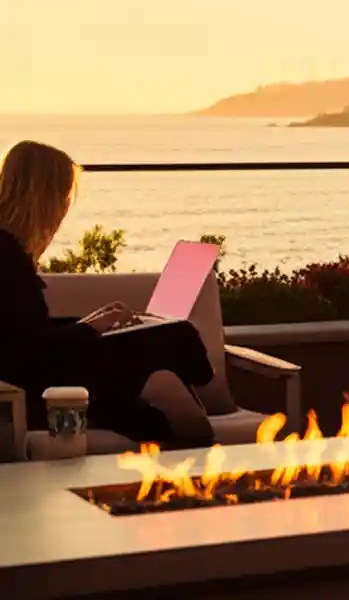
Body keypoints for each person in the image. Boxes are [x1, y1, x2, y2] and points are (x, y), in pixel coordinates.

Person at [0, 140, 214, 449]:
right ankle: (210, 401)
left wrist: (90, 322)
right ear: (45, 198)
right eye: (62, 197)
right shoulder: (6, 256)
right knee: (174, 335)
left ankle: (188, 420)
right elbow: (25, 353)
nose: (63, 209)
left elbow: (24, 333)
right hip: (40, 387)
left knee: (151, 414)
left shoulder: (8, 250)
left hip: (44, 374)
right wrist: (89, 329)